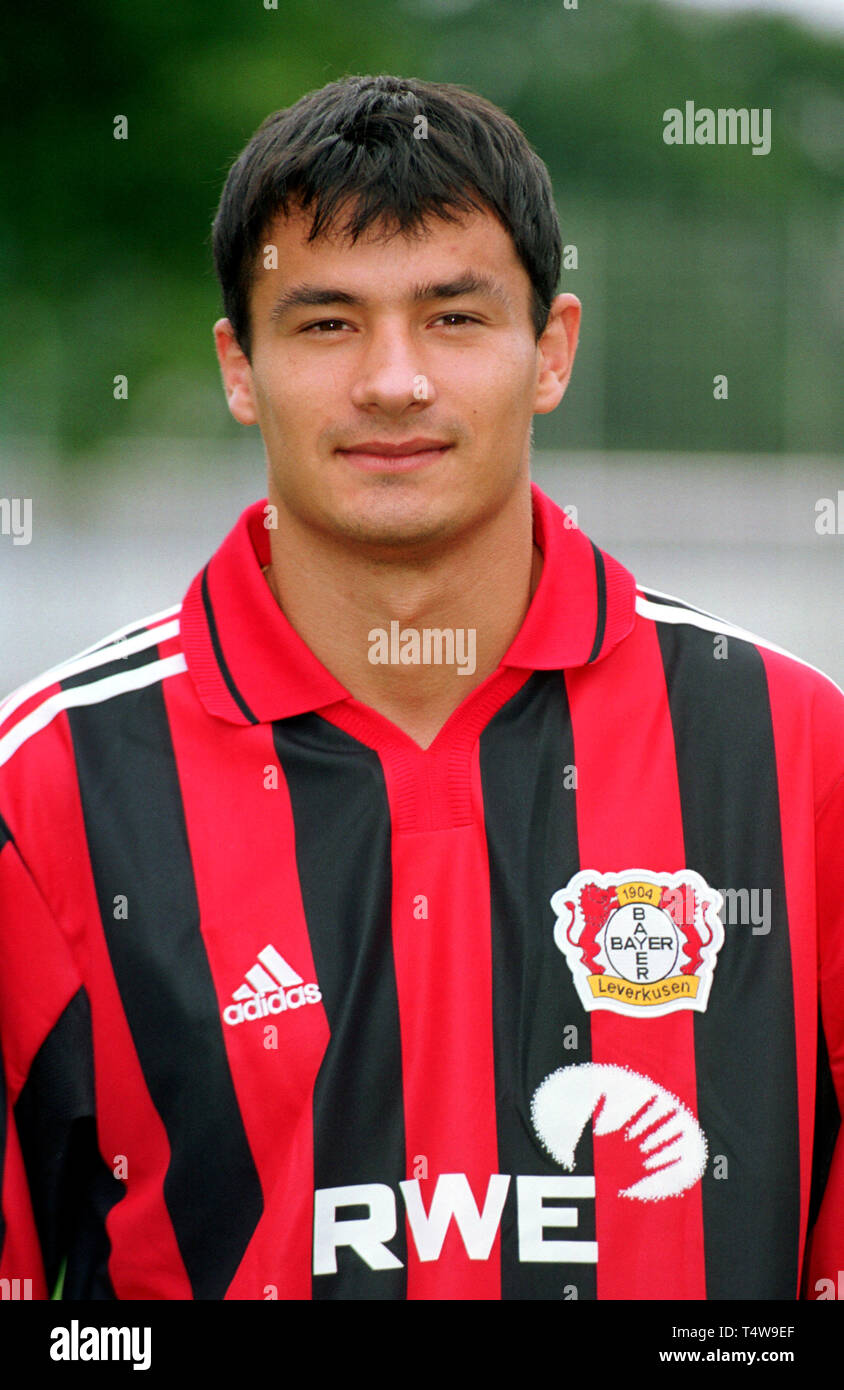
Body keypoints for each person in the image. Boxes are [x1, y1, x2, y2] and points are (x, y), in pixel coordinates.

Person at [0, 73, 841, 1302]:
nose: (394, 382)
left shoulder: (793, 753)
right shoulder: (51, 789)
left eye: (454, 318)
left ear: (550, 350)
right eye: (327, 323)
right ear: (241, 367)